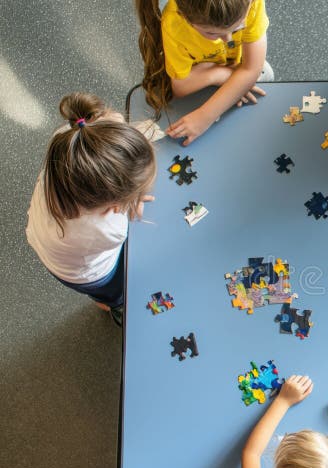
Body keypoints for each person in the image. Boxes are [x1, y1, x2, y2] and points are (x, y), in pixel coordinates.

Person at [26, 93, 156, 326]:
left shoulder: (72, 140)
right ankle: (113, 304)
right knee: (113, 290)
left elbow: (110, 120)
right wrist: (132, 207)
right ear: (114, 205)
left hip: (43, 235)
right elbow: (122, 229)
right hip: (86, 272)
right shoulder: (109, 229)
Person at [135, 0, 271, 146]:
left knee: (266, 74)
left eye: (238, 27)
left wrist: (204, 117)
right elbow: (180, 88)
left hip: (230, 67)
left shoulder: (252, 3)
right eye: (212, 33)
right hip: (224, 75)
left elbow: (252, 70)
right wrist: (220, 75)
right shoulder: (174, 23)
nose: (227, 39)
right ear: (185, 17)